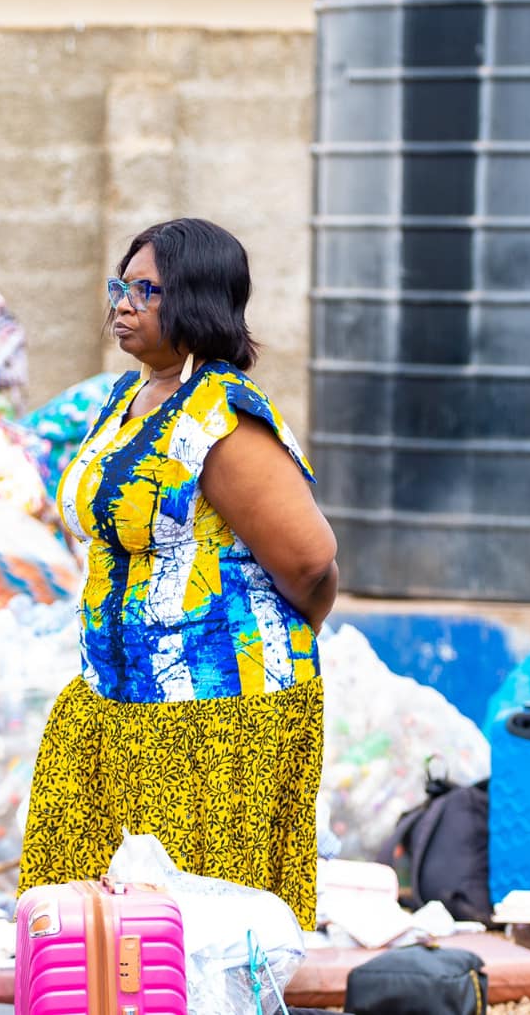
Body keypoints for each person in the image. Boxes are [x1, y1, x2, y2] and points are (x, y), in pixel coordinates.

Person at [20, 217, 337, 927]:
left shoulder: (221, 416)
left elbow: (311, 563)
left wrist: (261, 644)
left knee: (188, 930)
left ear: (197, 300)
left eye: (147, 290)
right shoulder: (127, 399)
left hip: (213, 717)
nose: (123, 304)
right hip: (112, 700)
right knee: (83, 917)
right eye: (121, 287)